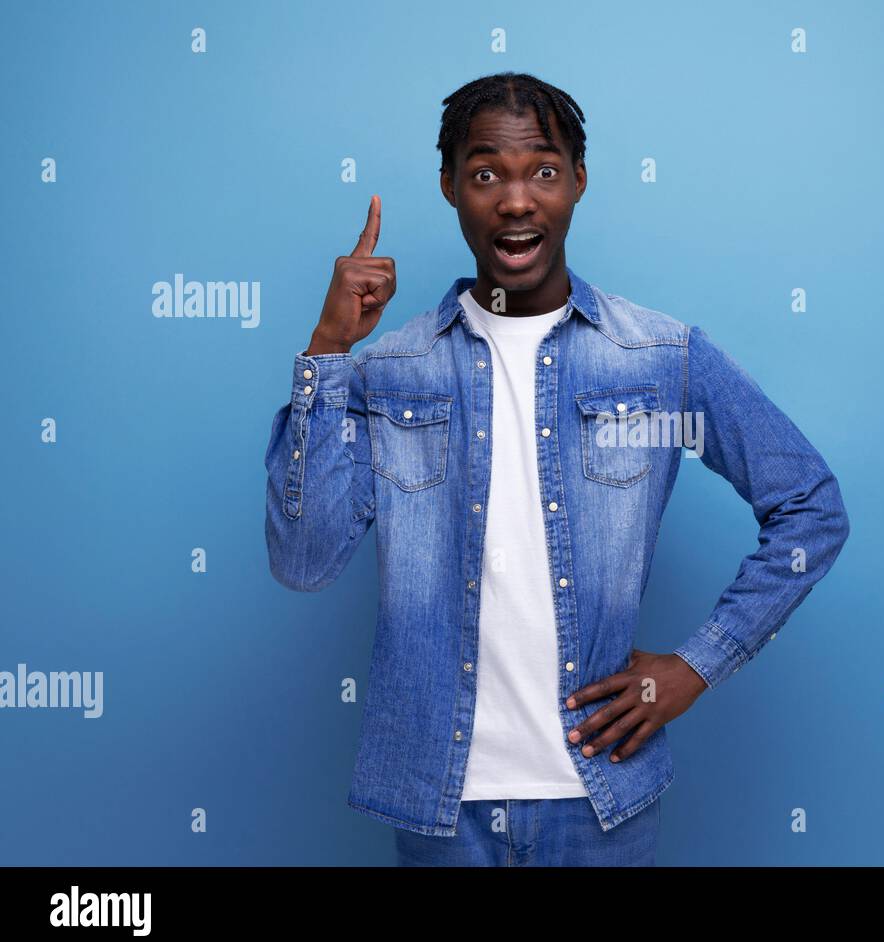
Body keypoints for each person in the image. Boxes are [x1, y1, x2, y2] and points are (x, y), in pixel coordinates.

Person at [263, 71, 850, 866]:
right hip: (440, 807)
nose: (515, 200)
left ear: (578, 179)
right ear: (449, 188)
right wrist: (329, 353)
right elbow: (303, 561)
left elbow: (810, 507)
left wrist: (697, 666)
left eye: (543, 170)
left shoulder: (655, 360)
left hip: (601, 801)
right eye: (484, 174)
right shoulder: (393, 370)